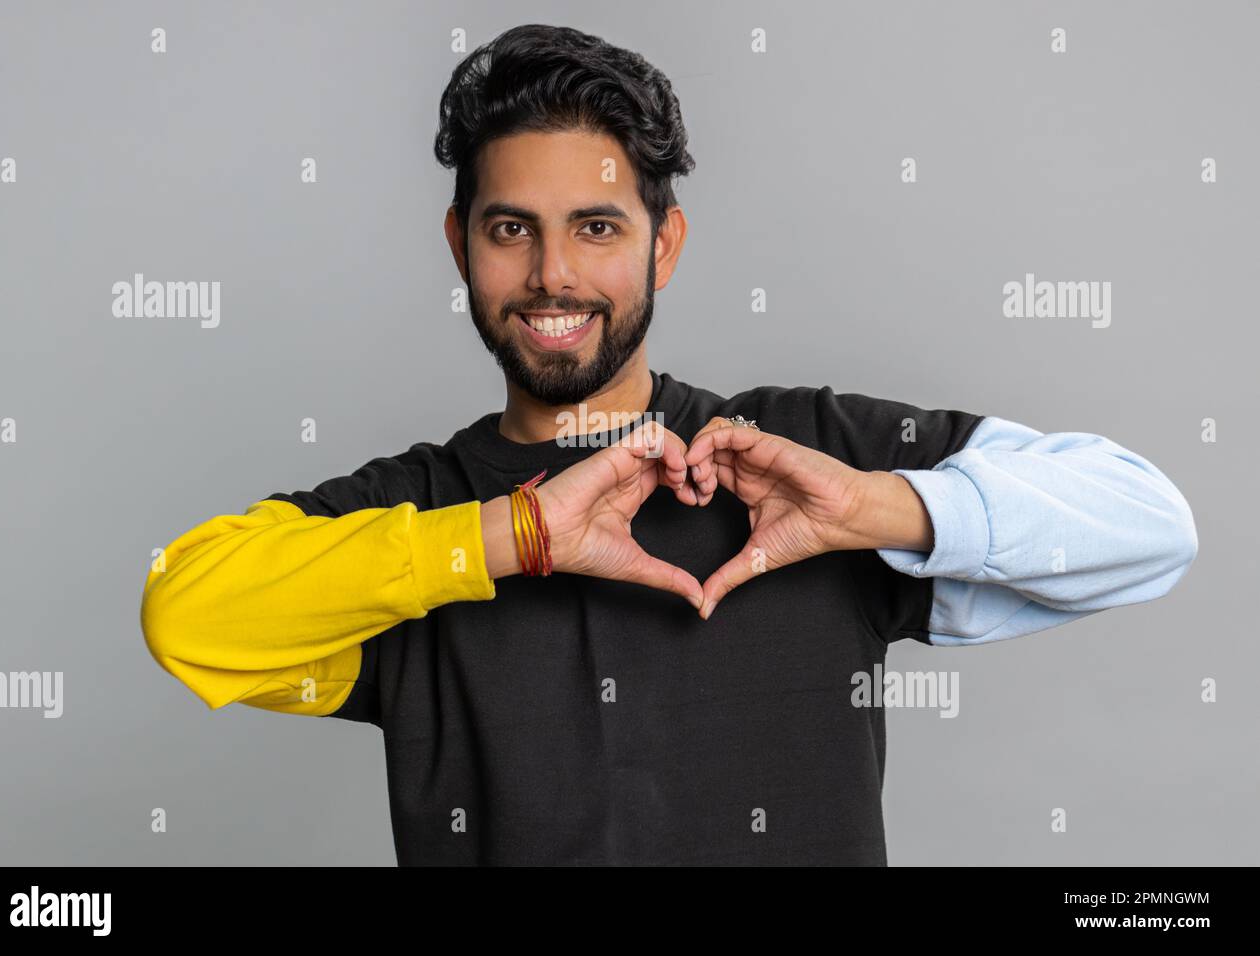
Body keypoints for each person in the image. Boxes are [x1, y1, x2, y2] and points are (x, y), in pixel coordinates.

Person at [139, 24, 1198, 865]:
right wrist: (512, 535)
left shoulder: (808, 455)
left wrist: (874, 509)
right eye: (512, 229)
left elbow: (1150, 525)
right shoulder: (419, 520)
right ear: (461, 244)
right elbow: (186, 613)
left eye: (596, 227)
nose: (553, 273)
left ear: (666, 243)